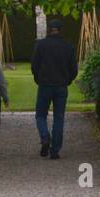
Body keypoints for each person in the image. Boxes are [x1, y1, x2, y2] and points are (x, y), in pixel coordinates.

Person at [31, 18, 77, 159]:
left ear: (48, 29)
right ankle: (55, 150)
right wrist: (67, 80)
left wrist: (38, 79)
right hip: (61, 86)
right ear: (60, 30)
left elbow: (34, 66)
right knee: (59, 118)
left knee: (40, 115)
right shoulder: (68, 47)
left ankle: (45, 137)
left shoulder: (41, 45)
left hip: (45, 85)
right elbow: (73, 69)